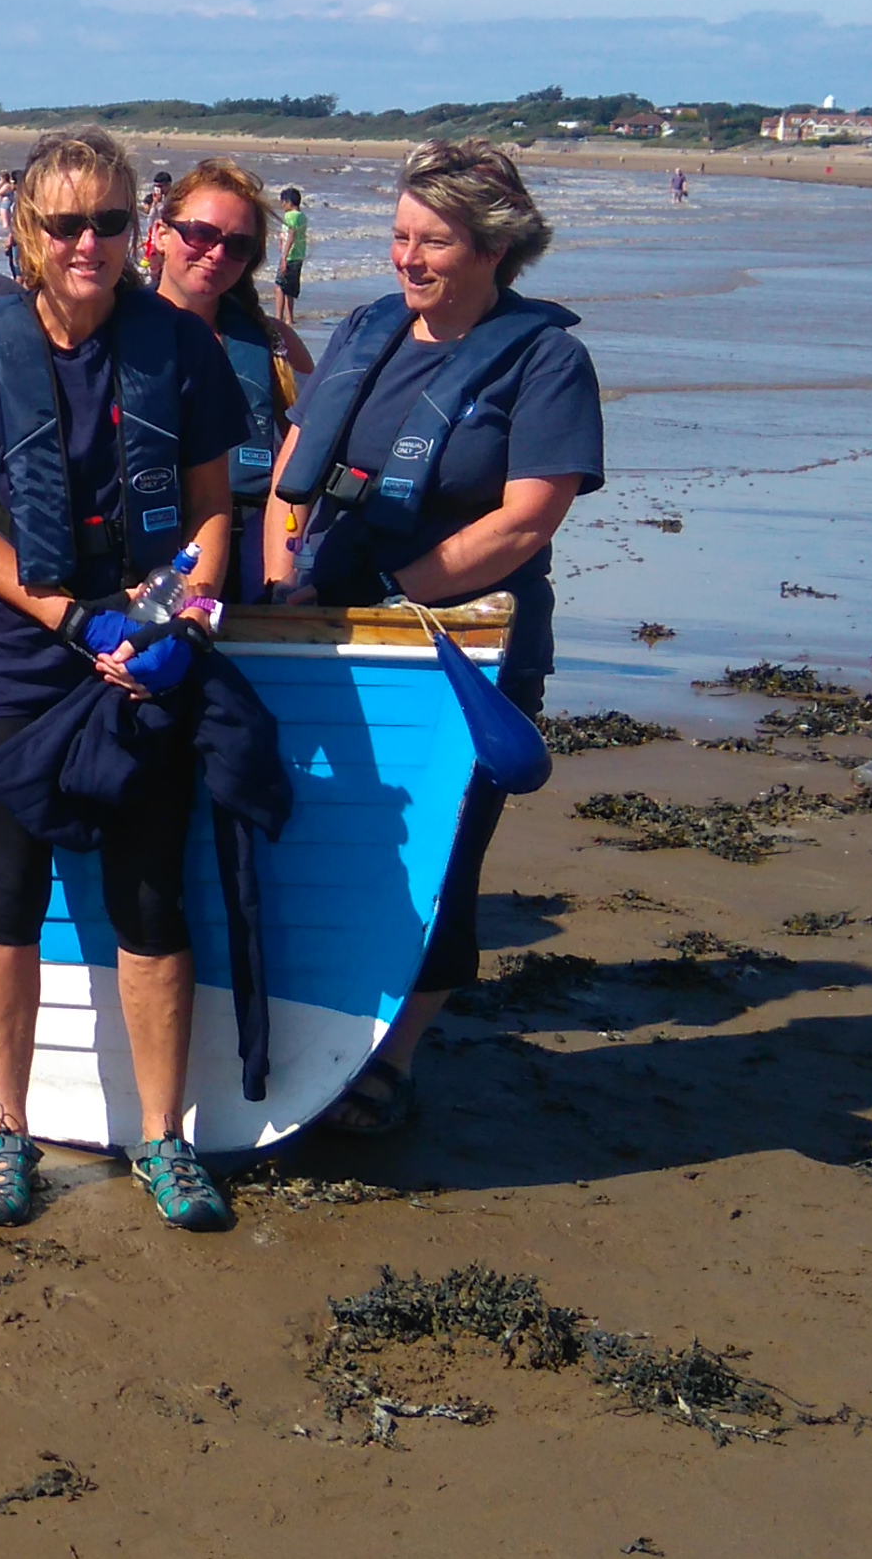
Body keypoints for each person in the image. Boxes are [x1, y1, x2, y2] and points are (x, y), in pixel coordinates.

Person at [0, 129, 254, 1233]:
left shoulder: (181, 349)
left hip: (144, 654)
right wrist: (68, 612)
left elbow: (213, 508)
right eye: (64, 223)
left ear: (136, 227)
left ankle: (162, 1136)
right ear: (26, 226)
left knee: (150, 897)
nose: (87, 243)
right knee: (5, 894)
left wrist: (184, 616)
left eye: (109, 222)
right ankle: (5, 1131)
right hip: (15, 654)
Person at [266, 142, 601, 1136]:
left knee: (439, 856)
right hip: (323, 626)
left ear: (492, 245)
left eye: (432, 240)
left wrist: (390, 590)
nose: (407, 259)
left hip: (458, 646)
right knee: (328, 836)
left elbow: (525, 518)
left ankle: (393, 1058)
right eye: (398, 236)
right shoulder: (368, 328)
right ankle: (309, 1028)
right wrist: (283, 576)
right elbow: (296, 455)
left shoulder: (545, 361)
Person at [148, 158, 316, 601]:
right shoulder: (113, 335)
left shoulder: (273, 343)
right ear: (161, 234)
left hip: (254, 554)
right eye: (201, 234)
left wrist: (291, 572)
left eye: (237, 245)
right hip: (153, 550)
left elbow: (311, 458)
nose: (216, 253)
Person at [273, 185, 310, 325]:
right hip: (299, 254)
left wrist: (284, 256)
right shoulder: (302, 216)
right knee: (289, 288)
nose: (282, 205)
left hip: (290, 255)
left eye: (283, 202)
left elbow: (291, 235)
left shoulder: (290, 216)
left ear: (289, 202)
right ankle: (289, 318)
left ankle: (278, 317)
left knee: (279, 286)